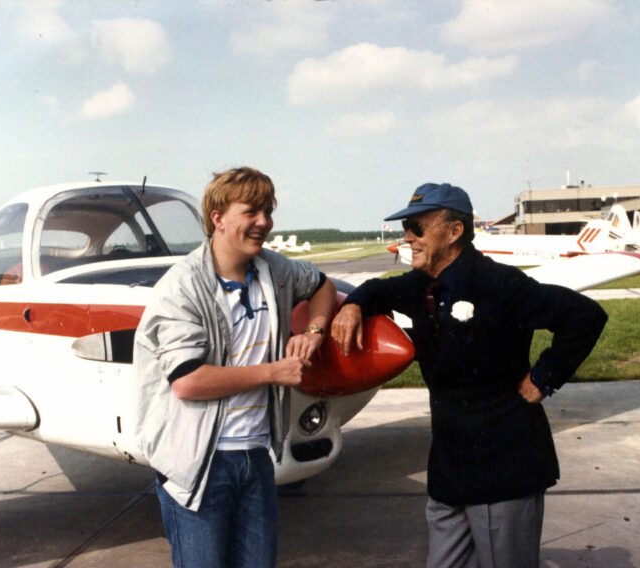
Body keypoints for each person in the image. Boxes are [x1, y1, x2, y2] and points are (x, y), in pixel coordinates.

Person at [331, 182, 607, 568]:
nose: (407, 236)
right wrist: (354, 306)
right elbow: (378, 289)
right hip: (449, 468)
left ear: (454, 231)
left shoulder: (500, 284)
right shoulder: (419, 284)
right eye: (406, 227)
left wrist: (543, 379)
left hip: (504, 464)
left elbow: (585, 316)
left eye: (416, 226)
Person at [133, 166, 336, 567]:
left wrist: (314, 330)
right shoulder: (182, 286)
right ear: (218, 218)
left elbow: (322, 286)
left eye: (268, 211)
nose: (264, 222)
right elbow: (188, 382)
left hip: (257, 456)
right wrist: (274, 372)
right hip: (200, 462)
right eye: (252, 212)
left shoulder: (274, 270)